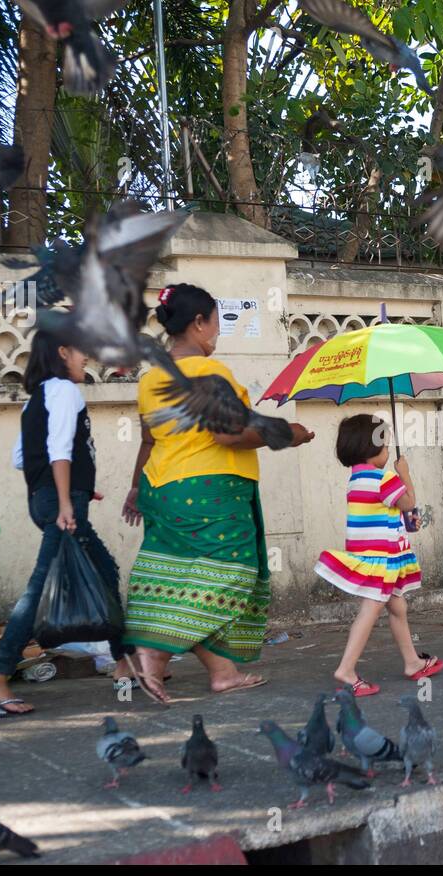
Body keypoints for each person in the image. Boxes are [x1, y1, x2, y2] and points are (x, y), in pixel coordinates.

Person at [121, 283, 314, 702]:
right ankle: (153, 652)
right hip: (209, 491)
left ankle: (216, 671)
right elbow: (228, 435)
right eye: (216, 323)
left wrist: (135, 488)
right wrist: (287, 433)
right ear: (197, 323)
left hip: (161, 488)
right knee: (229, 577)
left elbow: (149, 441)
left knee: (176, 578)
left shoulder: (150, 377)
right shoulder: (210, 372)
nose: (217, 333)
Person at [0, 327, 127, 717]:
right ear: (61, 351)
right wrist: (65, 499)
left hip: (46, 499)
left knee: (106, 571)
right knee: (40, 585)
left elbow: (23, 458)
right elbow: (58, 449)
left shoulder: (35, 400)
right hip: (59, 503)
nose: (86, 357)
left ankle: (124, 662)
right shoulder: (63, 390)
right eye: (80, 351)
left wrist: (74, 490)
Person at [316, 413, 442, 697]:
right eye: (385, 446)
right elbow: (408, 502)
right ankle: (346, 670)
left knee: (397, 607)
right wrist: (405, 473)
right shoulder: (383, 478)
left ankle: (412, 662)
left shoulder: (357, 478)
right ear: (370, 448)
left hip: (373, 557)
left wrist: (407, 519)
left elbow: (393, 512)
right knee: (370, 611)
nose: (388, 452)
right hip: (381, 560)